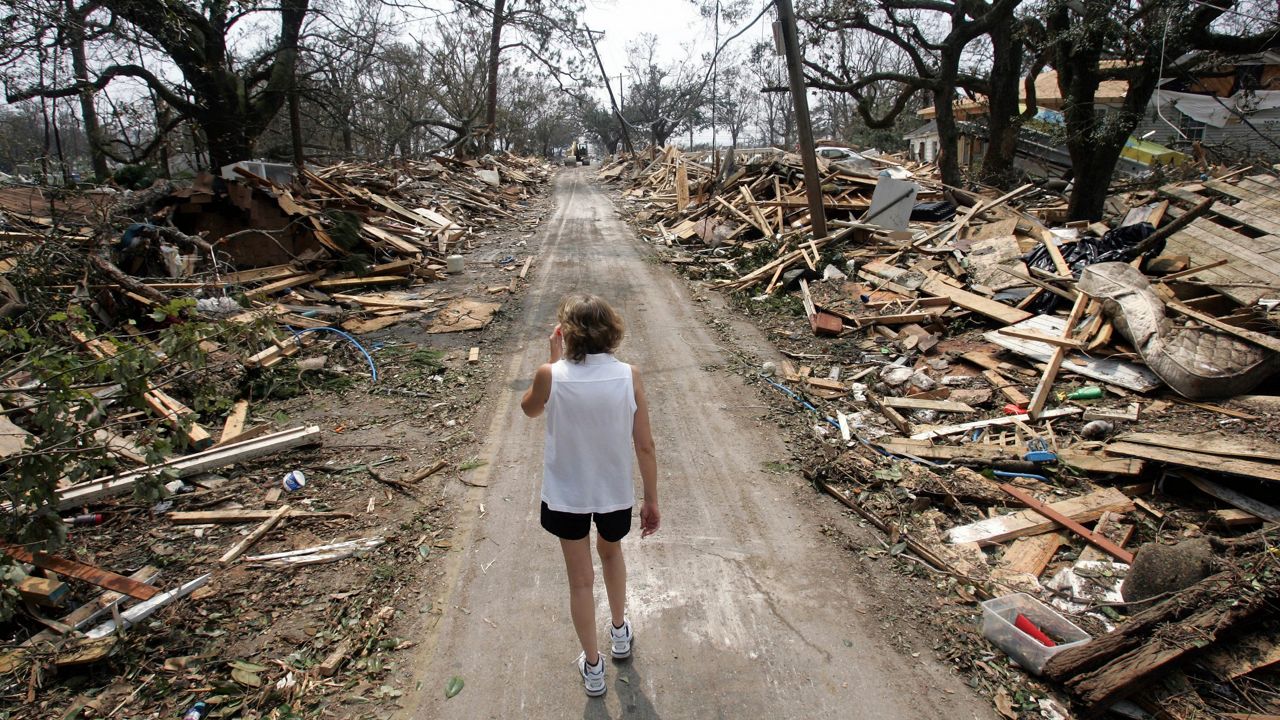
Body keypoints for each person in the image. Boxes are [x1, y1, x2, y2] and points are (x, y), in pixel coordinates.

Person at [520, 293, 660, 697]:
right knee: (612, 554)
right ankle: (619, 632)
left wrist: (551, 360)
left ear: (566, 333)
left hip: (567, 495)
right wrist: (651, 499)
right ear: (611, 331)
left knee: (580, 581)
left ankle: (594, 668)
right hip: (614, 492)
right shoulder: (629, 375)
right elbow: (645, 445)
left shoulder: (550, 374)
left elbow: (530, 409)